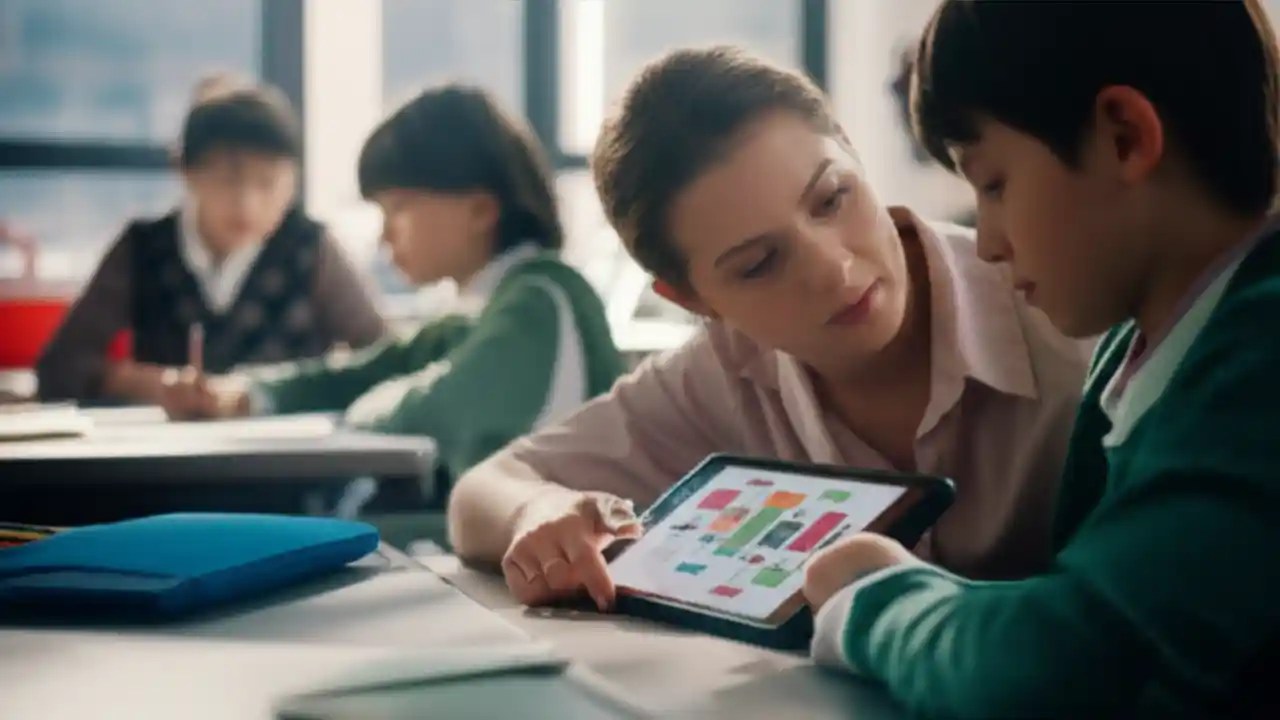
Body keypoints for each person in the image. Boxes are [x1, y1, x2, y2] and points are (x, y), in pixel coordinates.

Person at [446, 47, 1091, 613]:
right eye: (759, 265)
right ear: (694, 300)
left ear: (852, 150)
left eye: (833, 198)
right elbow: (483, 492)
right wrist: (541, 513)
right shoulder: (720, 374)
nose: (835, 268)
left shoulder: (1067, 305)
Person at [801, 1, 1280, 716]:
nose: (988, 241)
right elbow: (1119, 616)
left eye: (993, 183)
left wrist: (873, 598)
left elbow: (1053, 670)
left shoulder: (1260, 356)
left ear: (1123, 137)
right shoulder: (1148, 351)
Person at [161, 84, 624, 482]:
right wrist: (243, 394)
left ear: (480, 210)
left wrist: (362, 409)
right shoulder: (475, 309)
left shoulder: (540, 298)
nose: (385, 236)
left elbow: (435, 412)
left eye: (397, 209)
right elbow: (370, 372)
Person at [37, 79, 385, 404]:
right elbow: (60, 366)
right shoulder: (143, 248)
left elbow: (385, 359)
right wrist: (152, 386)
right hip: (167, 455)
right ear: (185, 170)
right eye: (228, 180)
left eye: (267, 183)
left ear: (293, 181)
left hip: (287, 458)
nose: (247, 204)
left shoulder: (312, 249)